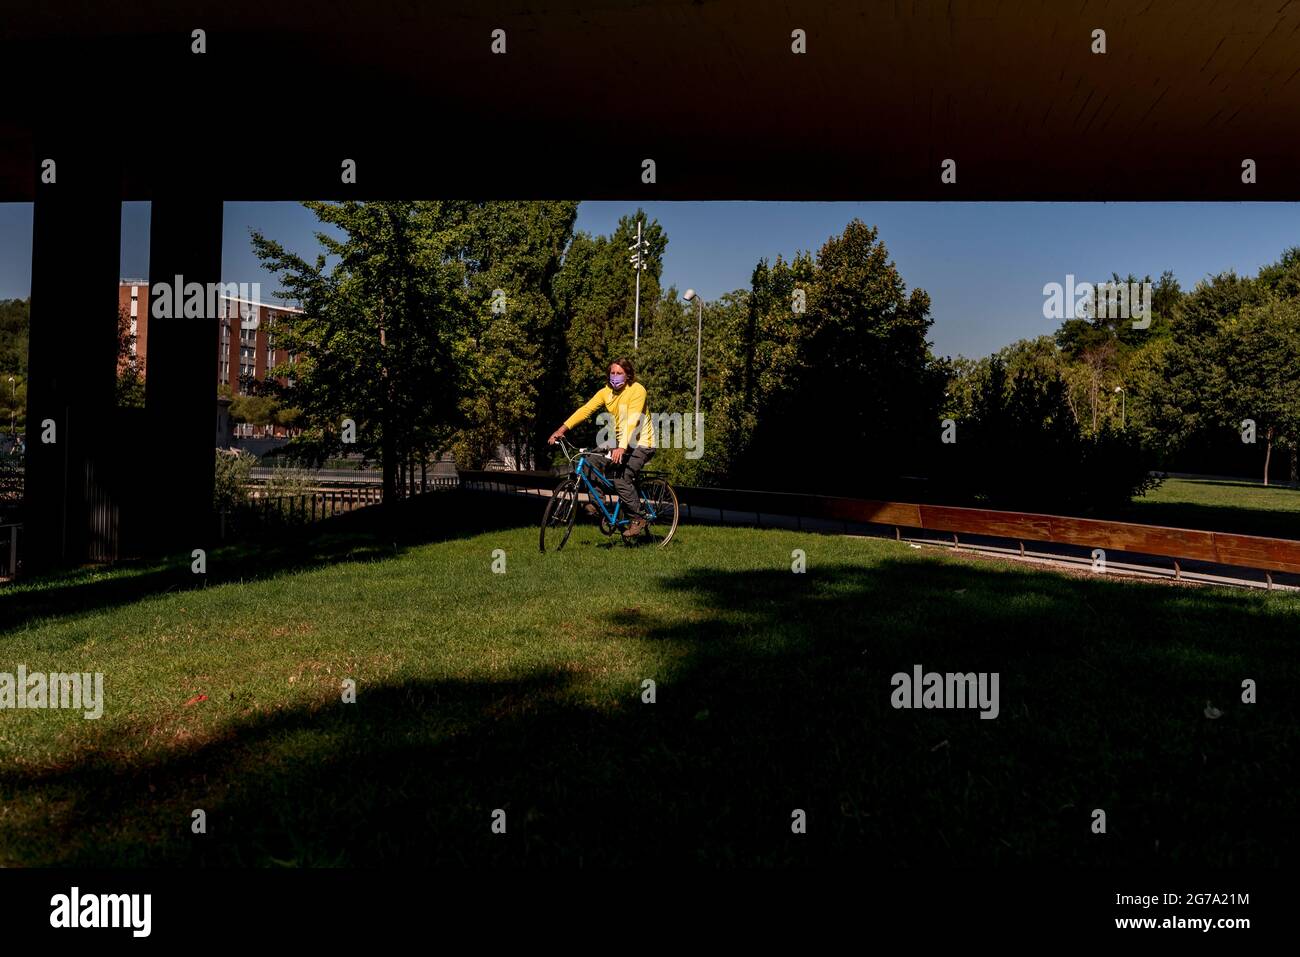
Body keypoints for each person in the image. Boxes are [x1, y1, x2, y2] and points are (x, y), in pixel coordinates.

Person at [549, 357, 655, 538]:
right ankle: (599, 505)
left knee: (622, 478)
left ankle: (638, 517)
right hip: (619, 441)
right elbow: (586, 409)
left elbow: (633, 420)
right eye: (612, 373)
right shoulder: (606, 392)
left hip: (641, 443)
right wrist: (561, 429)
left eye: (619, 373)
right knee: (590, 461)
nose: (615, 377)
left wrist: (621, 448)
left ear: (628, 375)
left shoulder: (637, 390)